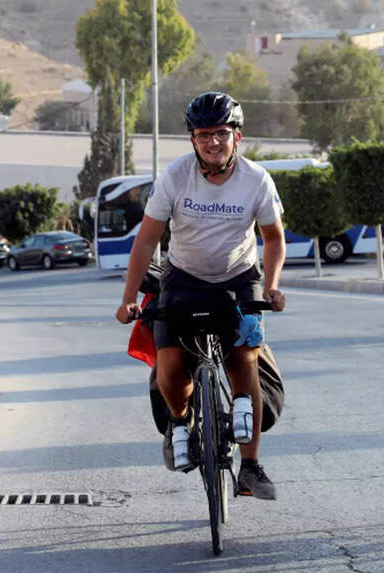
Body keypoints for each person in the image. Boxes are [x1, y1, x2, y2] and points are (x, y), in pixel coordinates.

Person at [115, 92, 287, 500]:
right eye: (204, 134)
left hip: (238, 277)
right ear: (193, 139)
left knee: (244, 361)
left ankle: (250, 466)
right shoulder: (175, 177)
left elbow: (274, 239)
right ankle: (180, 422)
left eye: (221, 133)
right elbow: (146, 240)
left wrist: (273, 285)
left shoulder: (256, 180)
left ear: (237, 137)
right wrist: (127, 299)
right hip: (184, 278)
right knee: (170, 365)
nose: (213, 142)